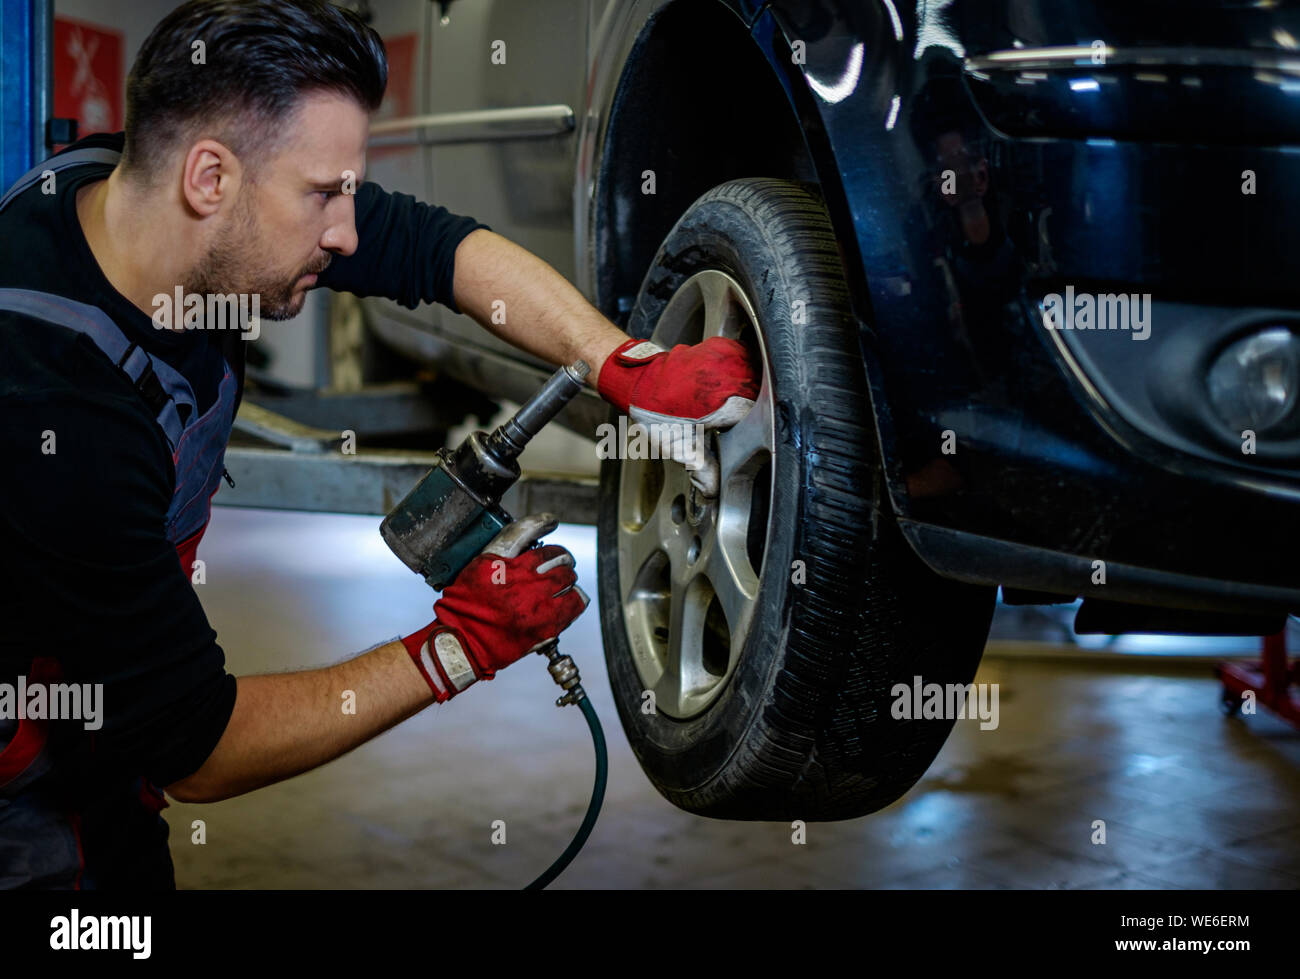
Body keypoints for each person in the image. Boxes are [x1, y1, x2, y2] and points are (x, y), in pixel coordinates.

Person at [0, 0, 758, 889]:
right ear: (208, 179)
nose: (349, 235)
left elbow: (434, 248)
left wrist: (616, 359)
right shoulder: (54, 411)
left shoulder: (123, 193)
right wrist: (455, 647)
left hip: (109, 747)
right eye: (324, 194)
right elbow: (197, 748)